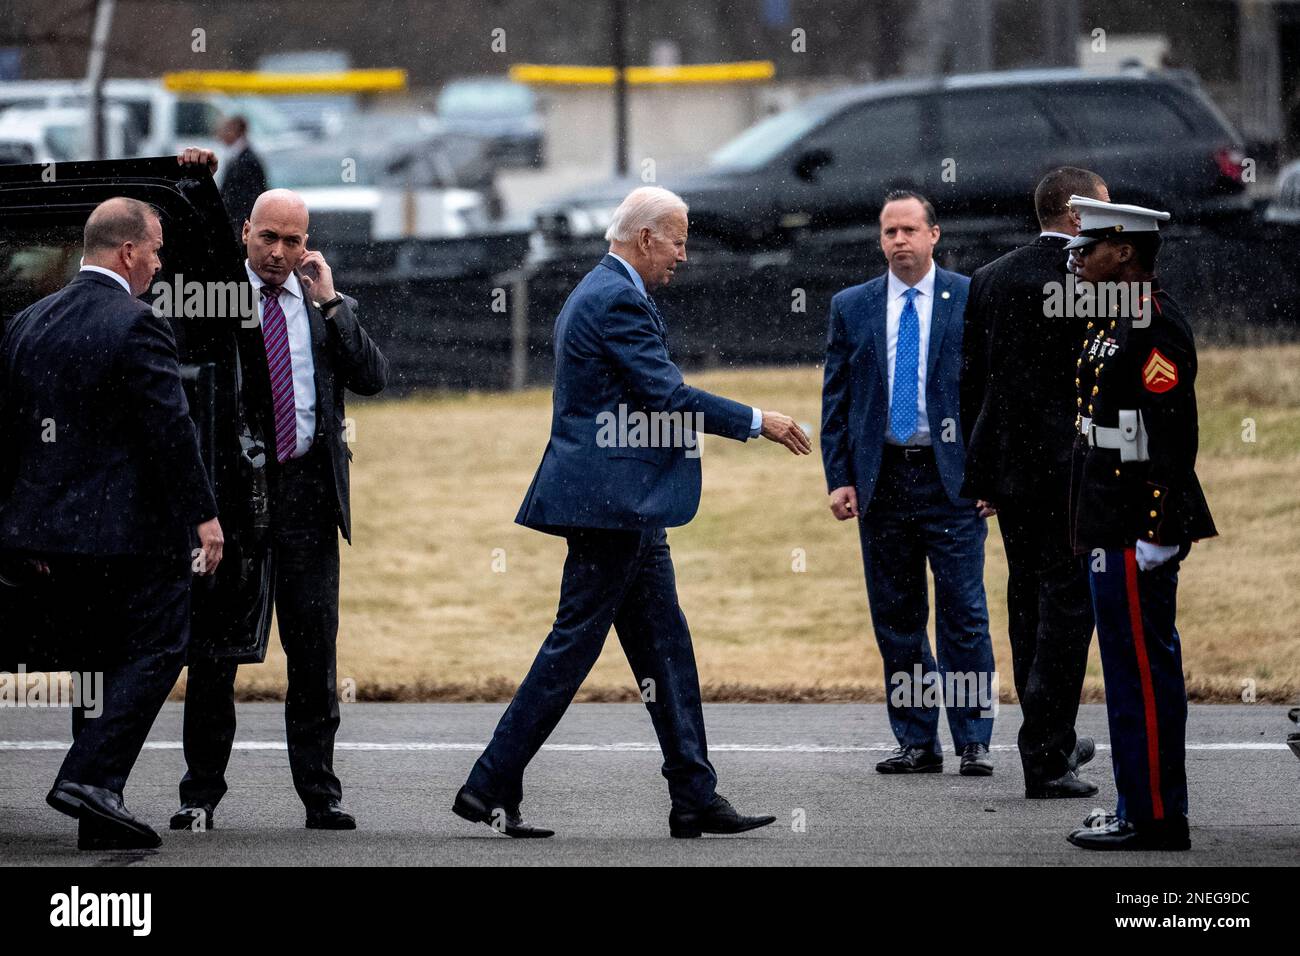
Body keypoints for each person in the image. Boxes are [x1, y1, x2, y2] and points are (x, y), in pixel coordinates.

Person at [455, 186, 811, 838]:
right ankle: (489, 781)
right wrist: (760, 420)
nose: (682, 254)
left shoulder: (597, 288)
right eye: (677, 239)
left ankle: (693, 795)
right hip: (611, 507)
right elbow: (664, 393)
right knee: (572, 648)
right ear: (645, 237)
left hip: (625, 507)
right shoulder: (616, 296)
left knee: (665, 651)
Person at [0, 154, 225, 850]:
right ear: (128, 250)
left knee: (94, 661)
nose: (159, 264)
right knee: (162, 644)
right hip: (128, 535)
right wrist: (206, 516)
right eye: (156, 250)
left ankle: (99, 807)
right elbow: (170, 430)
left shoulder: (29, 322)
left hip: (45, 537)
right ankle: (91, 777)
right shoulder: (137, 324)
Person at [173, 188, 389, 832]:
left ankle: (320, 794)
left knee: (314, 651)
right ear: (245, 233)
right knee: (214, 652)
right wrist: (195, 175)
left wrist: (329, 300)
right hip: (231, 501)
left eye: (293, 241)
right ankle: (200, 795)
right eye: (268, 237)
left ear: (308, 245)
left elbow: (372, 376)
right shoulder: (214, 299)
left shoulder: (324, 307)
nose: (278, 252)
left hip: (308, 498)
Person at [822, 190, 996, 776]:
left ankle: (974, 737)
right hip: (883, 483)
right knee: (897, 618)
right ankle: (918, 742)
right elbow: (838, 402)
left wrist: (990, 473)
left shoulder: (969, 298)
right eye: (889, 232)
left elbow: (989, 395)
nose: (899, 240)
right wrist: (840, 477)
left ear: (934, 235)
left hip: (953, 482)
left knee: (964, 612)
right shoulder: (853, 306)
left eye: (909, 230)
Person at [1062, 196, 1217, 851]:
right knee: (1126, 672)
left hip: (1135, 527)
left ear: (1123, 251)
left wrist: (1157, 529)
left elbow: (1168, 437)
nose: (1074, 256)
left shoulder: (1153, 324)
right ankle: (1136, 802)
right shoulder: (1113, 318)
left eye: (1087, 246)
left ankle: (1155, 817)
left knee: (1141, 676)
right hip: (1109, 522)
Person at [959, 167, 1110, 799]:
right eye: (1102, 211)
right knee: (1069, 608)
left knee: (1027, 603)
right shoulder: (1087, 280)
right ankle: (1047, 751)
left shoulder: (989, 279)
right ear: (1076, 216)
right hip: (1071, 471)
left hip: (1012, 472)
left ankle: (1047, 732)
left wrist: (984, 469)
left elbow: (972, 383)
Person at [215, 115, 267, 241]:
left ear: (236, 131)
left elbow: (250, 196)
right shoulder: (237, 156)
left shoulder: (247, 159)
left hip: (241, 225)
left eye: (226, 129)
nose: (220, 133)